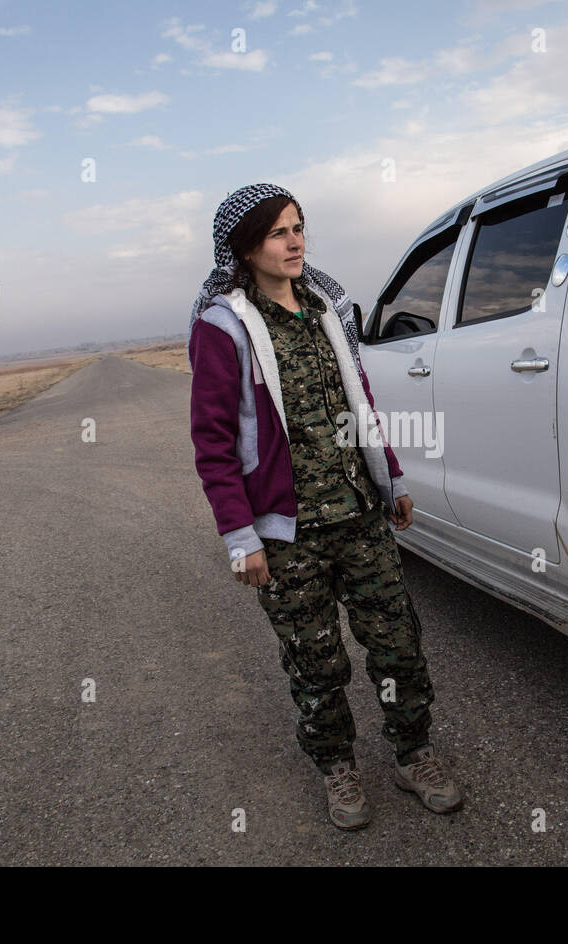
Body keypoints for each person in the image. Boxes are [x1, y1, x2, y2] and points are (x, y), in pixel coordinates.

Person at [187, 183, 463, 830]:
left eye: (299, 227)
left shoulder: (326, 308)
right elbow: (213, 442)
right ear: (245, 247)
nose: (296, 241)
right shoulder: (224, 326)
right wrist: (240, 537)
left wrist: (390, 481)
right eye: (280, 231)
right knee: (317, 662)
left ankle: (413, 752)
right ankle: (336, 765)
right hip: (287, 535)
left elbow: (359, 401)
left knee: (397, 645)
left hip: (360, 515)